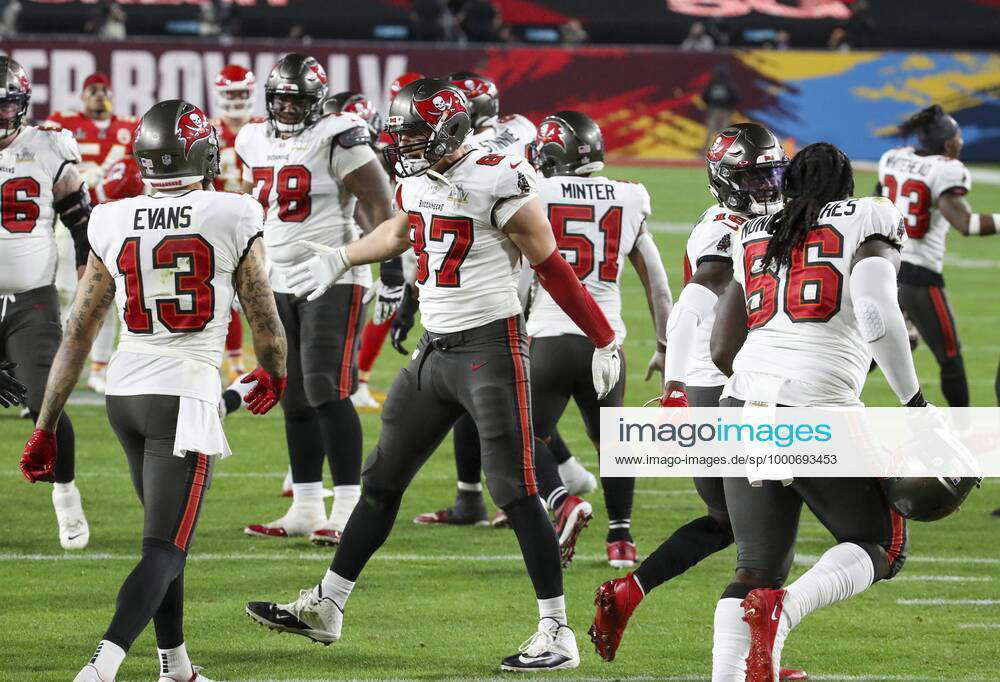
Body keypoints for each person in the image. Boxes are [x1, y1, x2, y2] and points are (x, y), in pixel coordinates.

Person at [245, 77, 622, 671]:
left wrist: (604, 337)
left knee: (518, 491)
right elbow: (402, 230)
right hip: (434, 354)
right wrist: (342, 256)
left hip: (491, 351)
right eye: (404, 132)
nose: (407, 143)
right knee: (382, 480)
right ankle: (327, 605)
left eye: (418, 131)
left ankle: (557, 631)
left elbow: (550, 263)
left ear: (450, 127)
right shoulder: (420, 178)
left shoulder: (500, 174)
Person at [19, 98, 287, 682]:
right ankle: (101, 665)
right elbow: (265, 323)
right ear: (200, 153)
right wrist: (276, 372)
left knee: (163, 538)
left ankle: (177, 667)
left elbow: (78, 331)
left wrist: (44, 425)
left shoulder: (111, 218)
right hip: (183, 396)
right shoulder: (233, 211)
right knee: (165, 550)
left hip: (125, 395)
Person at [588, 123, 806, 681]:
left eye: (769, 173)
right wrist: (678, 388)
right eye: (750, 175)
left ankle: (630, 591)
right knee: (765, 532)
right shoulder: (725, 224)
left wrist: (675, 364)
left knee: (727, 520)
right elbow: (693, 299)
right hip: (724, 387)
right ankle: (755, 663)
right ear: (725, 179)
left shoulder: (752, 218)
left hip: (722, 379)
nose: (762, 185)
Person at [708, 142, 916, 680]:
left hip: (743, 405)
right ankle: (786, 610)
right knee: (882, 544)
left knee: (754, 567)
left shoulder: (753, 229)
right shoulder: (872, 214)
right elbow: (873, 305)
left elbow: (721, 352)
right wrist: (913, 401)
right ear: (846, 187)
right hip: (814, 408)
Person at [413, 73, 598, 527]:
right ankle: (571, 486)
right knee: (501, 401)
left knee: (492, 399)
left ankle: (548, 496)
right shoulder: (519, 133)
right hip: (506, 261)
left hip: (497, 265)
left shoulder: (481, 156)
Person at [237, 54, 395, 546]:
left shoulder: (339, 135)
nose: (287, 108)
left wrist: (389, 271)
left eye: (298, 99)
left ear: (317, 102)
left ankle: (349, 505)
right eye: (281, 98)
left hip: (335, 273)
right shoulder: (251, 137)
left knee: (328, 387)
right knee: (294, 392)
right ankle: (306, 506)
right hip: (275, 277)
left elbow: (379, 206)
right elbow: (249, 207)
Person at [514, 111, 671, 568]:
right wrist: (664, 346)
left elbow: (526, 273)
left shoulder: (537, 190)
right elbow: (657, 284)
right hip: (608, 343)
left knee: (524, 439)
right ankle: (621, 539)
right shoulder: (629, 195)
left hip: (552, 334)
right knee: (615, 445)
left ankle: (563, 501)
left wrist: (516, 328)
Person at [0, 56, 92, 549]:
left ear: (20, 106)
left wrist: (85, 274)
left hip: (30, 300)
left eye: (3, 107)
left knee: (45, 398)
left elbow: (79, 216)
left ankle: (66, 494)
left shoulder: (47, 145)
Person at [877, 104, 997, 408]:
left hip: (884, 267)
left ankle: (828, 401)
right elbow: (966, 224)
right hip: (919, 277)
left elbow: (878, 202)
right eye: (958, 137)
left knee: (885, 346)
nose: (961, 142)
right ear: (947, 144)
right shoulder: (947, 168)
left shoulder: (893, 157)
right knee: (951, 359)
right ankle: (965, 431)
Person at [45, 72, 139, 395]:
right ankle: (55, 359)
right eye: (92, 91)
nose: (99, 96)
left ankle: (99, 367)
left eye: (103, 90)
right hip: (74, 220)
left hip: (114, 222)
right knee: (62, 291)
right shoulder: (62, 122)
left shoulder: (128, 127)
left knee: (108, 295)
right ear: (82, 96)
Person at [322, 90, 406, 412]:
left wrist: (391, 270)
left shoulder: (374, 159)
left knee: (325, 369)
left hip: (355, 256)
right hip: (350, 254)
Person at [211, 64, 265, 382]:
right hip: (220, 220)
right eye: (230, 93)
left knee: (262, 289)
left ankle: (263, 354)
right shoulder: (208, 130)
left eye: (241, 93)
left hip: (260, 221)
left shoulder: (264, 129)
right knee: (225, 293)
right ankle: (232, 360)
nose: (235, 99)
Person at [701, 64, 740, 156]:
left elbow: (704, 96)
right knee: (724, 132)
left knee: (710, 132)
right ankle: (724, 153)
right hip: (724, 111)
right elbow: (736, 96)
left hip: (714, 110)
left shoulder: (712, 83)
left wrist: (710, 104)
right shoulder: (728, 83)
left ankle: (704, 152)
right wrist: (730, 105)